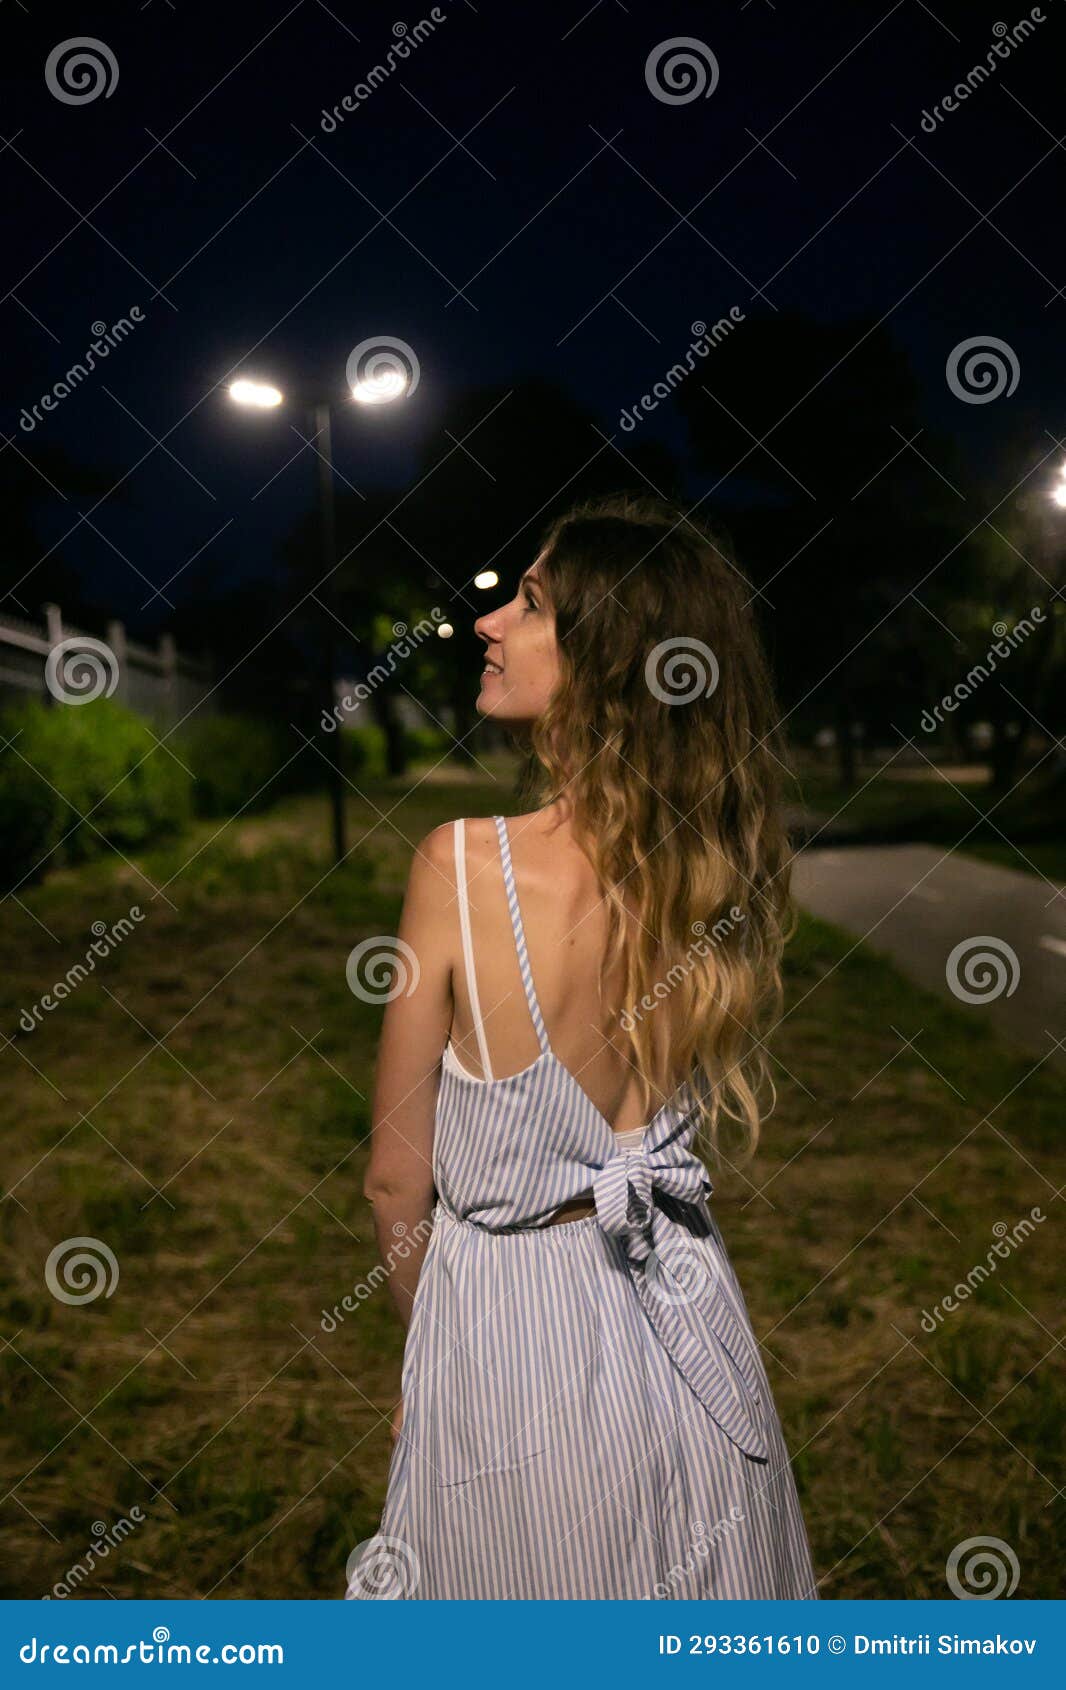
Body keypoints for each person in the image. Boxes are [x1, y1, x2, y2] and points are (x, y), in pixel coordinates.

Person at [346, 493, 817, 1600]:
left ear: (602, 661)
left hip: (513, 1360)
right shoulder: (704, 871)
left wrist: (427, 1361)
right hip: (691, 1331)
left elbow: (393, 1180)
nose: (489, 621)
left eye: (531, 603)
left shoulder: (460, 864)